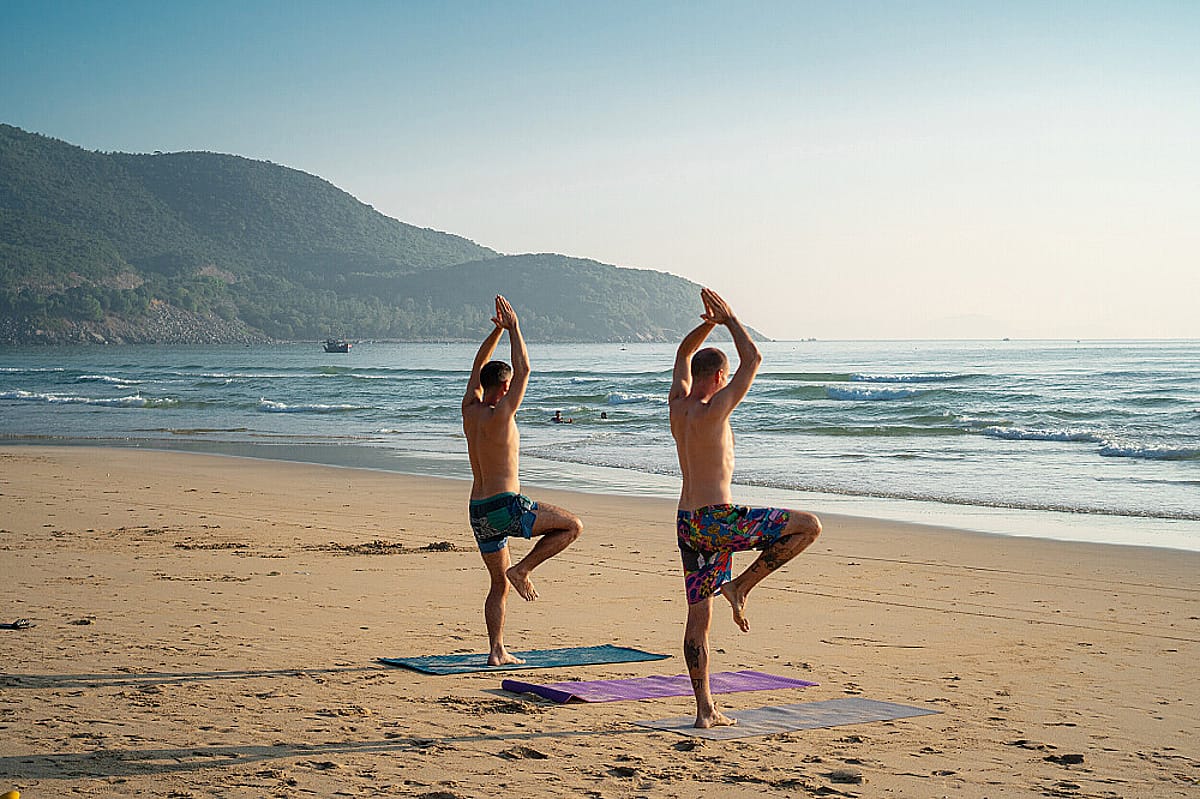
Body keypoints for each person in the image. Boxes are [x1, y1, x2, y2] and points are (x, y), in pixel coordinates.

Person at [668, 287, 822, 728]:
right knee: (808, 526)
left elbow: (683, 352)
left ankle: (705, 710)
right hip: (719, 520)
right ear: (719, 376)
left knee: (699, 616)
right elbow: (753, 359)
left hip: (688, 524)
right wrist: (731, 319)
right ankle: (742, 586)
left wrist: (707, 325)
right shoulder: (716, 408)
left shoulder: (677, 407)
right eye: (726, 374)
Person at [462, 295, 584, 666]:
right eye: (509, 385)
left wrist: (495, 332)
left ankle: (496, 650)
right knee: (572, 526)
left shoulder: (470, 410)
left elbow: (478, 365)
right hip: (505, 505)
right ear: (503, 388)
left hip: (478, 510)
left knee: (498, 583)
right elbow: (525, 368)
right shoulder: (501, 414)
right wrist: (514, 329)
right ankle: (525, 568)